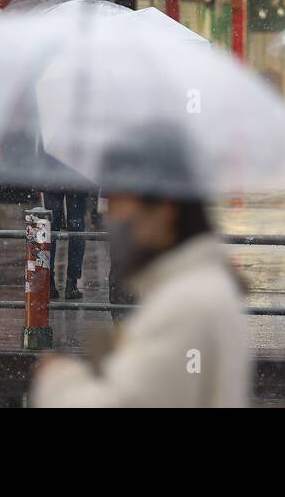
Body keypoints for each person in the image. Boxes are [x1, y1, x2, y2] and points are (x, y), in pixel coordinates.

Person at [31, 141, 250, 407]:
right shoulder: (191, 287)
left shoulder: (185, 303)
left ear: (165, 209)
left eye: (121, 203)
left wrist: (58, 378)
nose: (113, 218)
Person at [43, 190, 89, 300]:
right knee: (76, 228)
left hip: (51, 178)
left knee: (50, 229)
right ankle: (72, 283)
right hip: (77, 178)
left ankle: (49, 283)